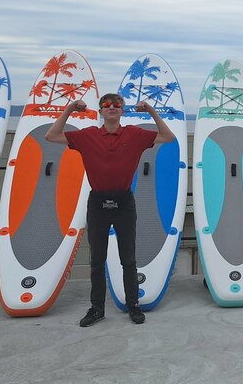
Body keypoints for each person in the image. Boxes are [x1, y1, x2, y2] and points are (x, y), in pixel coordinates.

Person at [45, 92, 174, 326]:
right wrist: (71, 108)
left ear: (122, 110)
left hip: (124, 202)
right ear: (100, 111)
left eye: (117, 104)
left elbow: (168, 136)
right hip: (98, 203)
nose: (111, 107)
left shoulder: (135, 134)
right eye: (106, 104)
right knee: (97, 259)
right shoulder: (87, 136)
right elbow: (51, 135)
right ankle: (97, 308)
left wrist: (151, 110)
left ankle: (133, 305)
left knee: (128, 258)